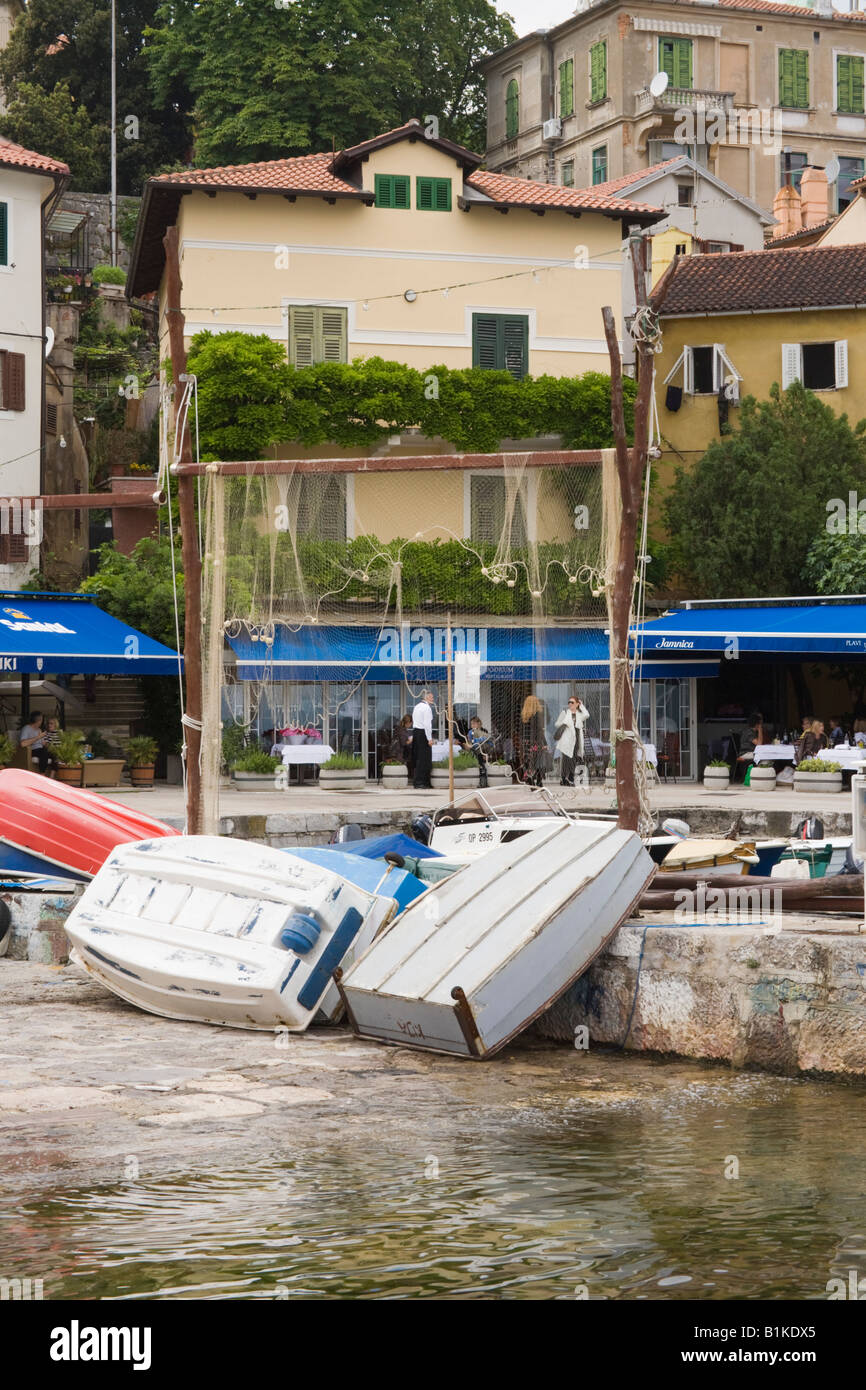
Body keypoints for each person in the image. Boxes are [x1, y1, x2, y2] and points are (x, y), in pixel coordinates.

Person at [553, 694, 589, 787]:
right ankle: (565, 778)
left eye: (572, 702)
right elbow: (557, 724)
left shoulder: (580, 714)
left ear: (577, 704)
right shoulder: (565, 712)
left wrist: (582, 705)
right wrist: (564, 722)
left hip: (576, 740)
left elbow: (587, 715)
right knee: (566, 760)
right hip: (566, 740)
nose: (570, 704)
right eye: (569, 702)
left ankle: (569, 778)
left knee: (572, 759)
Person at [519, 694, 547, 787]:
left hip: (526, 743)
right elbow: (540, 730)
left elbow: (521, 732)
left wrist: (522, 743)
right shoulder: (537, 715)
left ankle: (530, 781)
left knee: (528, 762)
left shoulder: (524, 717)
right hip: (536, 743)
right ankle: (539, 782)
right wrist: (544, 743)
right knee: (538, 763)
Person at [18, 712, 57, 776]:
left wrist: (50, 745)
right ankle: (42, 775)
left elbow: (43, 743)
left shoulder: (39, 730)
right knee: (44, 752)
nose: (42, 722)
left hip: (41, 749)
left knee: (55, 753)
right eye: (41, 720)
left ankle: (52, 776)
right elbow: (23, 744)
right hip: (32, 750)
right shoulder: (26, 728)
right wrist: (38, 737)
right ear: (38, 720)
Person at [411, 690, 434, 789]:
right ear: (427, 697)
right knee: (425, 759)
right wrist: (429, 738)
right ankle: (423, 782)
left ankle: (418, 781)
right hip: (423, 733)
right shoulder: (427, 708)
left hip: (416, 732)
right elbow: (427, 725)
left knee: (418, 758)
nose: (433, 699)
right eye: (432, 697)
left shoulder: (416, 706)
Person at [463, 715, 492, 787]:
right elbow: (470, 742)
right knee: (479, 765)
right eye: (471, 724)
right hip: (475, 750)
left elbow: (488, 742)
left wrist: (486, 753)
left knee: (483, 765)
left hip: (484, 751)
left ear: (478, 723)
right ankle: (480, 782)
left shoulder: (484, 731)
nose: (472, 725)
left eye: (474, 723)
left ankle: (483, 782)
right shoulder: (471, 732)